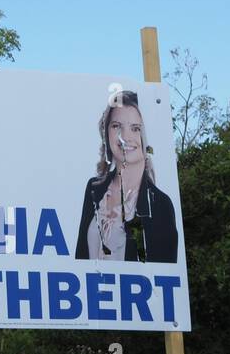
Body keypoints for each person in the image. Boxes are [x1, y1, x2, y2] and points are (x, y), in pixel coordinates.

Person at [74, 90, 180, 264]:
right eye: (116, 126)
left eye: (135, 128)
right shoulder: (94, 188)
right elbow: (79, 260)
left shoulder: (160, 204)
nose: (125, 137)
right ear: (106, 133)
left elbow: (163, 275)